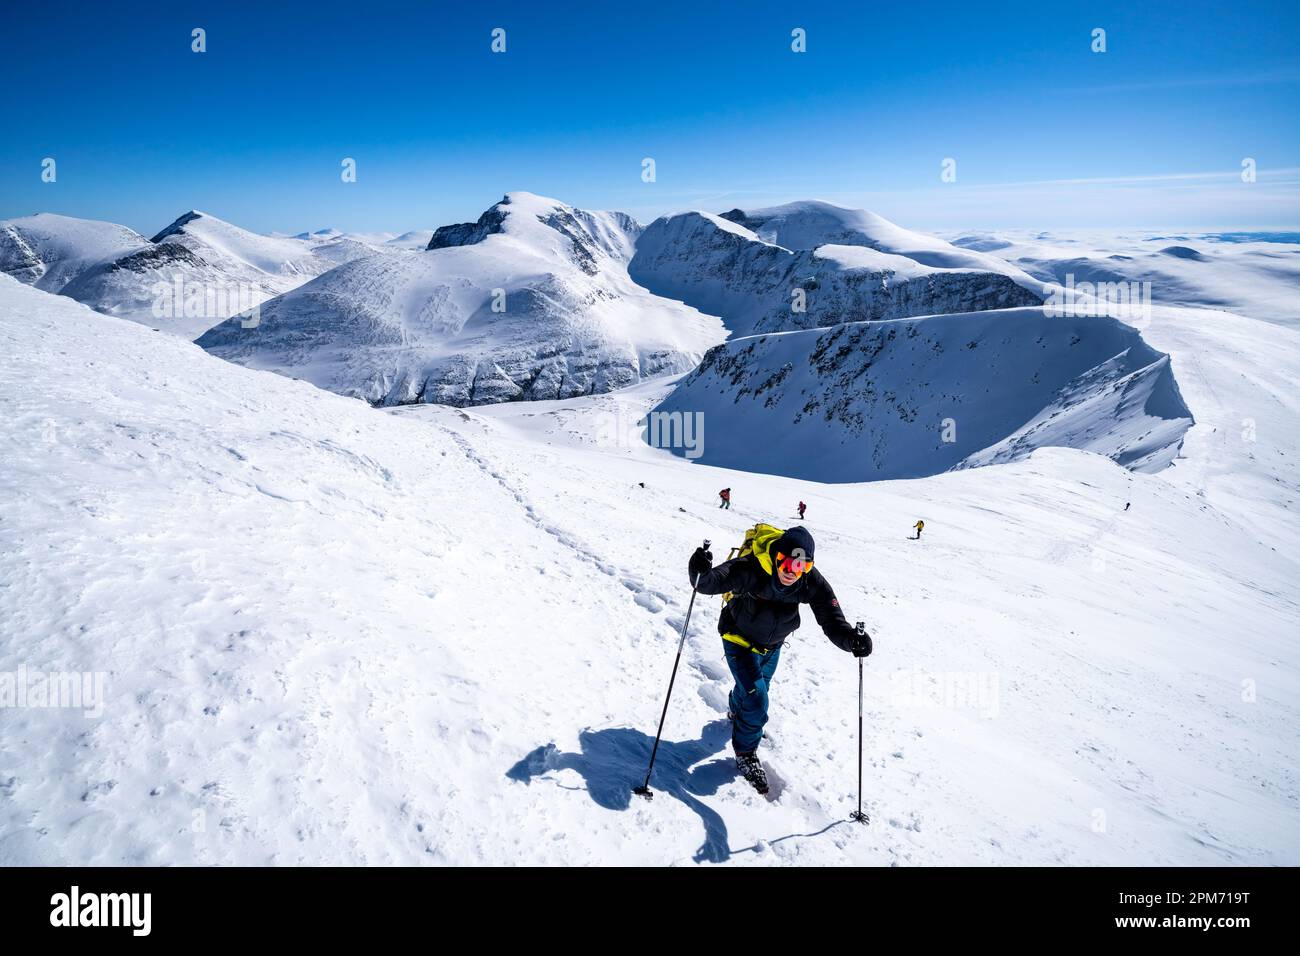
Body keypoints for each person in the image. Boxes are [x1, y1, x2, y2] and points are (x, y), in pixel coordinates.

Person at [688, 526, 870, 792]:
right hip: (738, 639)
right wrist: (699, 571)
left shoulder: (810, 580)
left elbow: (832, 619)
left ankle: (737, 711)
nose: (790, 571)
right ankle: (746, 754)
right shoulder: (752, 567)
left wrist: (851, 640)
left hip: (772, 645)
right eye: (786, 562)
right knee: (757, 698)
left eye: (800, 566)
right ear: (776, 556)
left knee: (754, 689)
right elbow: (709, 582)